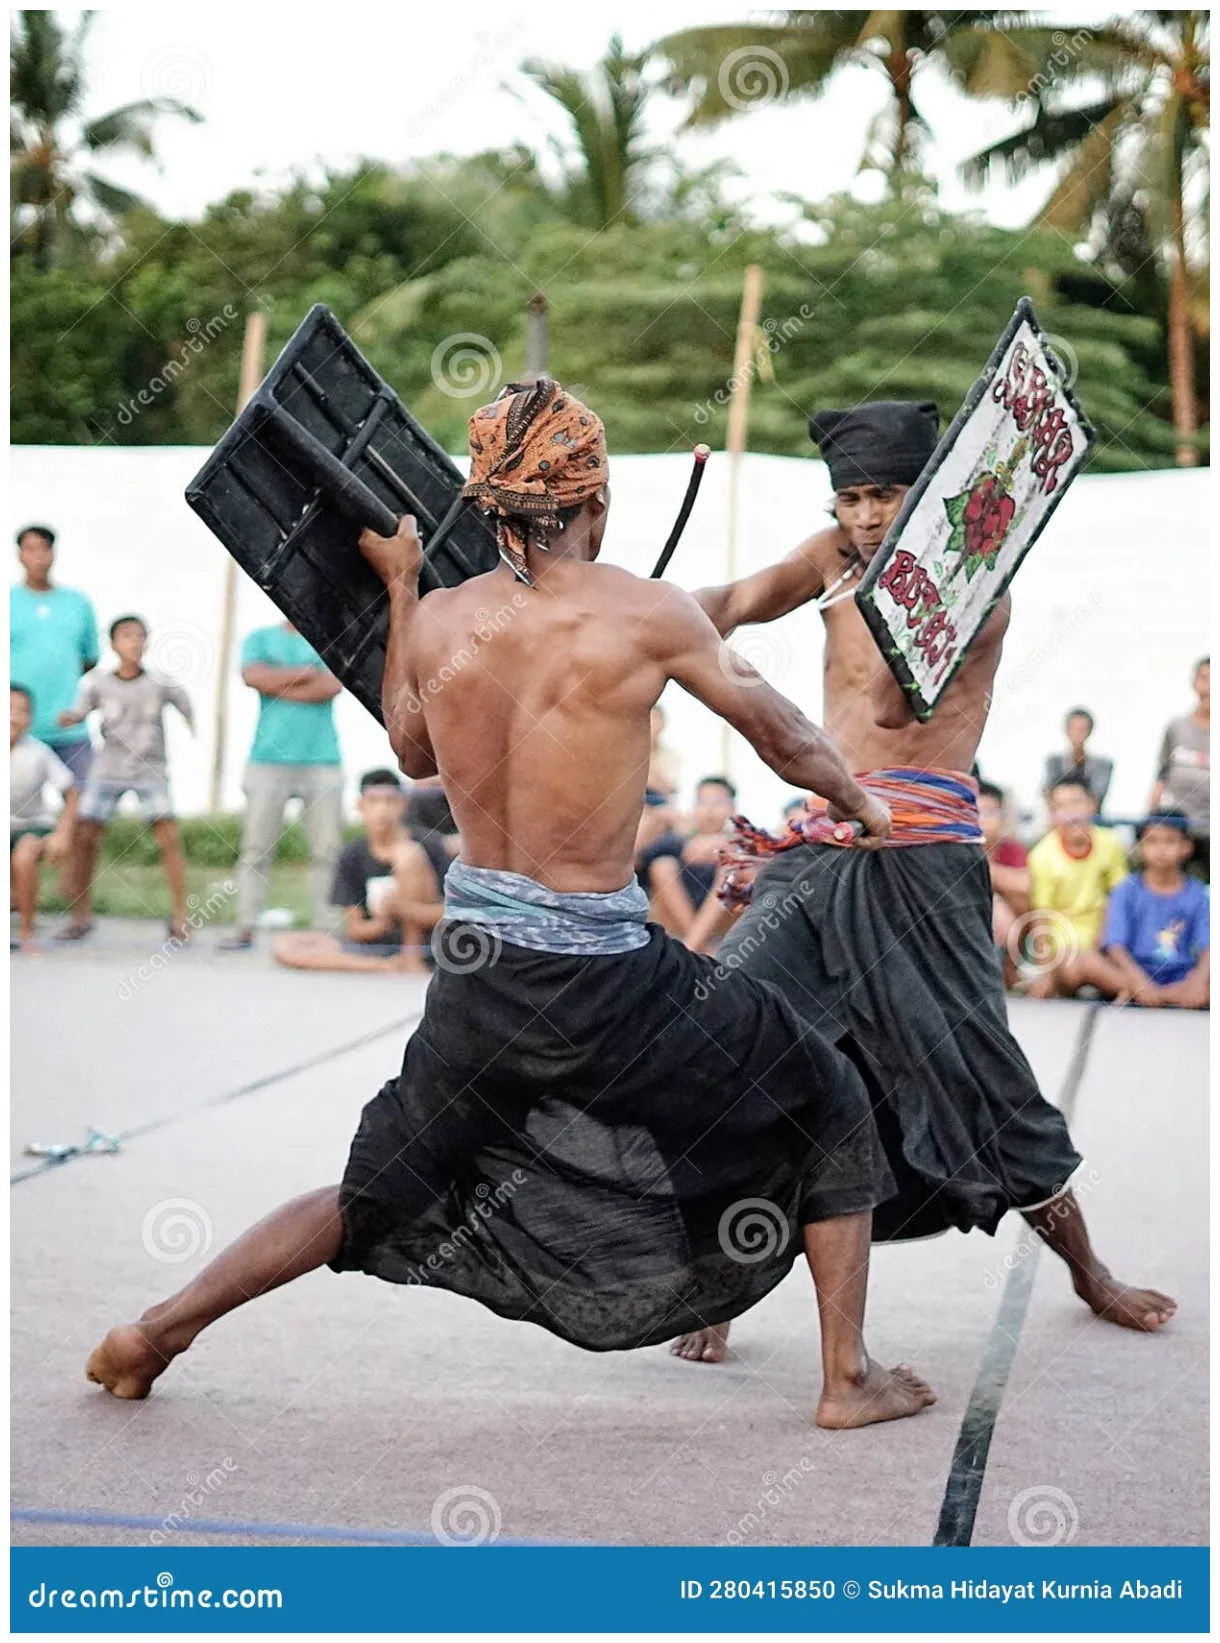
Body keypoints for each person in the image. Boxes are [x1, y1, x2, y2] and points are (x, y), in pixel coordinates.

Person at [86, 377, 936, 1431]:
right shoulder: (648, 614)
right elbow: (781, 732)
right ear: (599, 502)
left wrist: (399, 590)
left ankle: (151, 1332)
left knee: (370, 1194)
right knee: (826, 1093)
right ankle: (844, 1378)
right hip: (608, 984)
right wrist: (859, 802)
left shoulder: (446, 621)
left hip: (481, 974)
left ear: (484, 510)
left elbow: (408, 749)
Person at [670, 397, 1173, 1365]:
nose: (861, 515)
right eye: (849, 497)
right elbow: (728, 600)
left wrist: (902, 580)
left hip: (921, 857)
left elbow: (895, 706)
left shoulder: (976, 580)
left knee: (980, 1075)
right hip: (819, 848)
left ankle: (1087, 1270)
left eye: (883, 494)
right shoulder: (827, 551)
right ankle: (722, 1283)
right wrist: (642, 619)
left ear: (925, 491)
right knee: (731, 1039)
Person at [57, 616, 194, 942]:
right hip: (110, 767)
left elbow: (185, 703)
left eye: (140, 636)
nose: (134, 642)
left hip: (150, 767)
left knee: (168, 837)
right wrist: (70, 717)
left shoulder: (160, 682)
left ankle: (181, 918)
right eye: (126, 636)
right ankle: (80, 914)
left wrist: (194, 726)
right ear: (114, 644)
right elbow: (80, 711)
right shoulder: (99, 682)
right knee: (86, 835)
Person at [218, 621, 343, 950]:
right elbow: (252, 677)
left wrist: (279, 681)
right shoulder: (259, 637)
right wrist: (304, 674)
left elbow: (332, 686)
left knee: (327, 849)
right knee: (255, 848)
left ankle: (326, 927)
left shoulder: (328, 635)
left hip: (322, 759)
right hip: (267, 758)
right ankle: (245, 925)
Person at [273, 768, 444, 974]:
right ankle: (385, 966)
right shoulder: (351, 854)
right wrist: (382, 921)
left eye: (390, 801)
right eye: (374, 801)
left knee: (406, 853)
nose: (382, 809)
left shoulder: (431, 844)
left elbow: (450, 914)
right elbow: (356, 928)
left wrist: (402, 908)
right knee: (285, 946)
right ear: (361, 806)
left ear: (402, 804)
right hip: (376, 945)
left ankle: (411, 957)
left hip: (427, 943)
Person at [1049, 812, 1210, 1008]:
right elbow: (1115, 946)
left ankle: (1153, 996)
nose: (1161, 849)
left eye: (1170, 841)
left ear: (1186, 847)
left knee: (1205, 981)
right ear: (1141, 846)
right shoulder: (1126, 890)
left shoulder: (1198, 893)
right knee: (1083, 962)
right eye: (1152, 841)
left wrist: (1198, 982)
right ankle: (1152, 995)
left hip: (1180, 976)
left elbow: (1208, 948)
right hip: (1131, 974)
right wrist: (1140, 983)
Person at [1024, 775, 1129, 999]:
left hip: (1103, 940)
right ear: (1052, 814)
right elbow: (1041, 916)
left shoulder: (1110, 843)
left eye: (1076, 803)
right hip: (1063, 948)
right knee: (1079, 966)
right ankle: (1129, 989)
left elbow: (1118, 898)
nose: (1070, 813)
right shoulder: (1042, 856)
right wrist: (1046, 971)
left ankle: (1118, 985)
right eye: (1060, 806)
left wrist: (1105, 941)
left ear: (1092, 804)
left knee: (1097, 960)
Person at [9, 525, 99, 785]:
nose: (38, 555)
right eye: (30, 548)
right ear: (20, 555)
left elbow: (90, 658)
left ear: (53, 553)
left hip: (69, 726)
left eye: (44, 548)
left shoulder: (77, 603)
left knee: (86, 806)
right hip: (15, 729)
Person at [10, 683, 78, 949]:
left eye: (21, 711)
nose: (14, 716)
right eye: (9, 709)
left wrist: (63, 834)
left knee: (24, 856)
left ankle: (28, 933)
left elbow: (72, 792)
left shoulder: (38, 752)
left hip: (33, 825)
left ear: (30, 718)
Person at [639, 775, 735, 940]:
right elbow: (641, 858)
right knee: (662, 865)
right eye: (702, 802)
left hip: (721, 921)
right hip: (679, 919)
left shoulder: (737, 839)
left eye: (718, 803)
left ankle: (693, 947)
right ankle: (698, 947)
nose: (709, 810)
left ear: (732, 809)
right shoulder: (678, 838)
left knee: (731, 870)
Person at [1149, 657, 1209, 882]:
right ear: (1194, 684)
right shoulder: (1177, 727)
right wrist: (1150, 819)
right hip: (1176, 830)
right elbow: (1161, 774)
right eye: (1204, 678)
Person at [978, 779, 1031, 988]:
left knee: (1014, 912)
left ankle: (1008, 975)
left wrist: (984, 870)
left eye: (990, 813)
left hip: (1007, 926)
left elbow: (1024, 886)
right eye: (976, 812)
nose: (982, 820)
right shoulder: (956, 848)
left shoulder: (1011, 849)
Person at [1042, 708, 1113, 810]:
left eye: (1082, 729)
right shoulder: (1054, 762)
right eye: (1073, 728)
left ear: (1090, 731)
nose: (1077, 734)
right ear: (1066, 730)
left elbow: (1096, 800)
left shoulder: (1103, 764)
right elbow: (1049, 796)